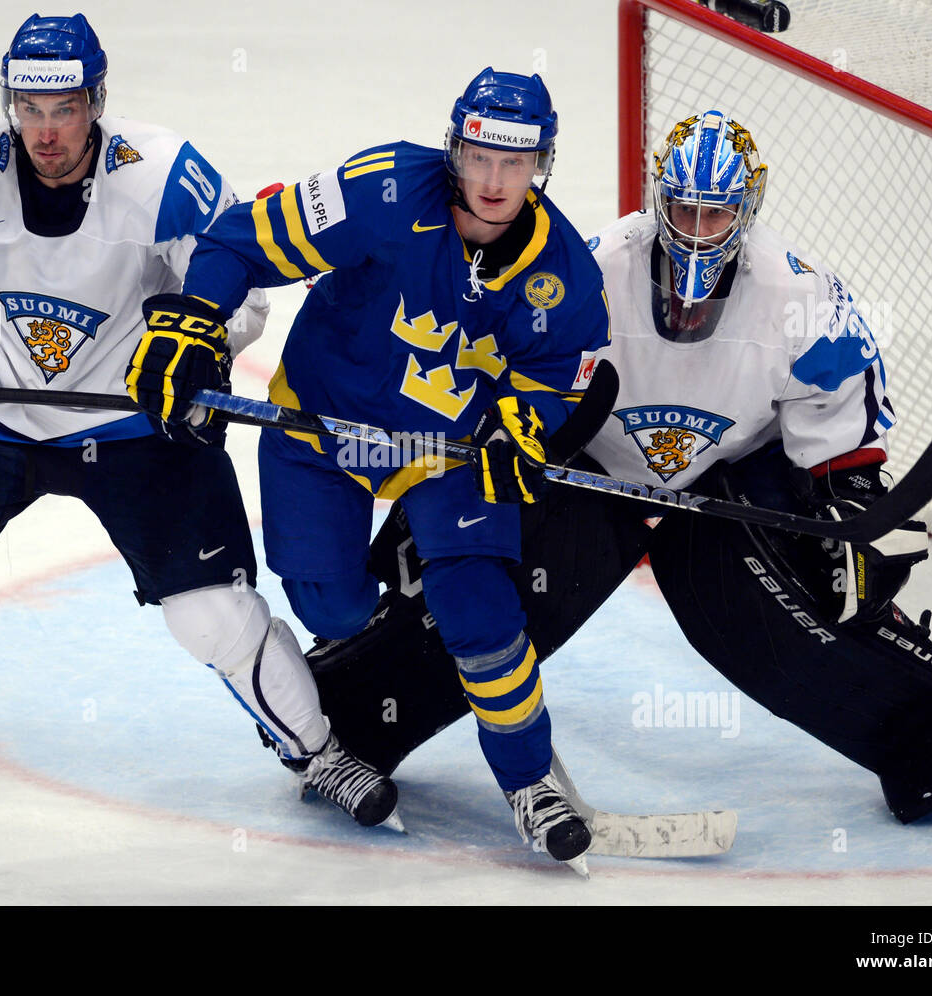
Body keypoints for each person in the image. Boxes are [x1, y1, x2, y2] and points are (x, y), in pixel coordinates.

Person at [0, 13, 399, 842]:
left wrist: (203, 344)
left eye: (64, 109)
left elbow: (240, 271)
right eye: (29, 110)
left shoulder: (166, 172)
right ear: (9, 105)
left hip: (135, 425)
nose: (46, 131)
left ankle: (316, 752)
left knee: (210, 614)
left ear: (98, 101)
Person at [299, 109, 932, 824]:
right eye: (685, 208)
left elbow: (842, 406)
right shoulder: (590, 267)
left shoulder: (799, 294)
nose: (698, 230)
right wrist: (493, 448)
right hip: (594, 467)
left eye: (717, 215)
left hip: (734, 475)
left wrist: (849, 499)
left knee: (766, 612)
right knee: (500, 582)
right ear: (657, 196)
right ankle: (350, 718)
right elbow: (512, 362)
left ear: (750, 207)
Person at [126, 69, 613, 869]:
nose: (495, 182)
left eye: (516, 163)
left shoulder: (563, 273)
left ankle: (529, 783)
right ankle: (405, 563)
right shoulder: (379, 190)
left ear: (543, 164)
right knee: (337, 609)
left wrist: (525, 423)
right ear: (454, 147)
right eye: (481, 156)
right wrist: (191, 322)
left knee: (484, 618)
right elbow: (234, 238)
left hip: (444, 454)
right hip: (323, 429)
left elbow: (562, 371)